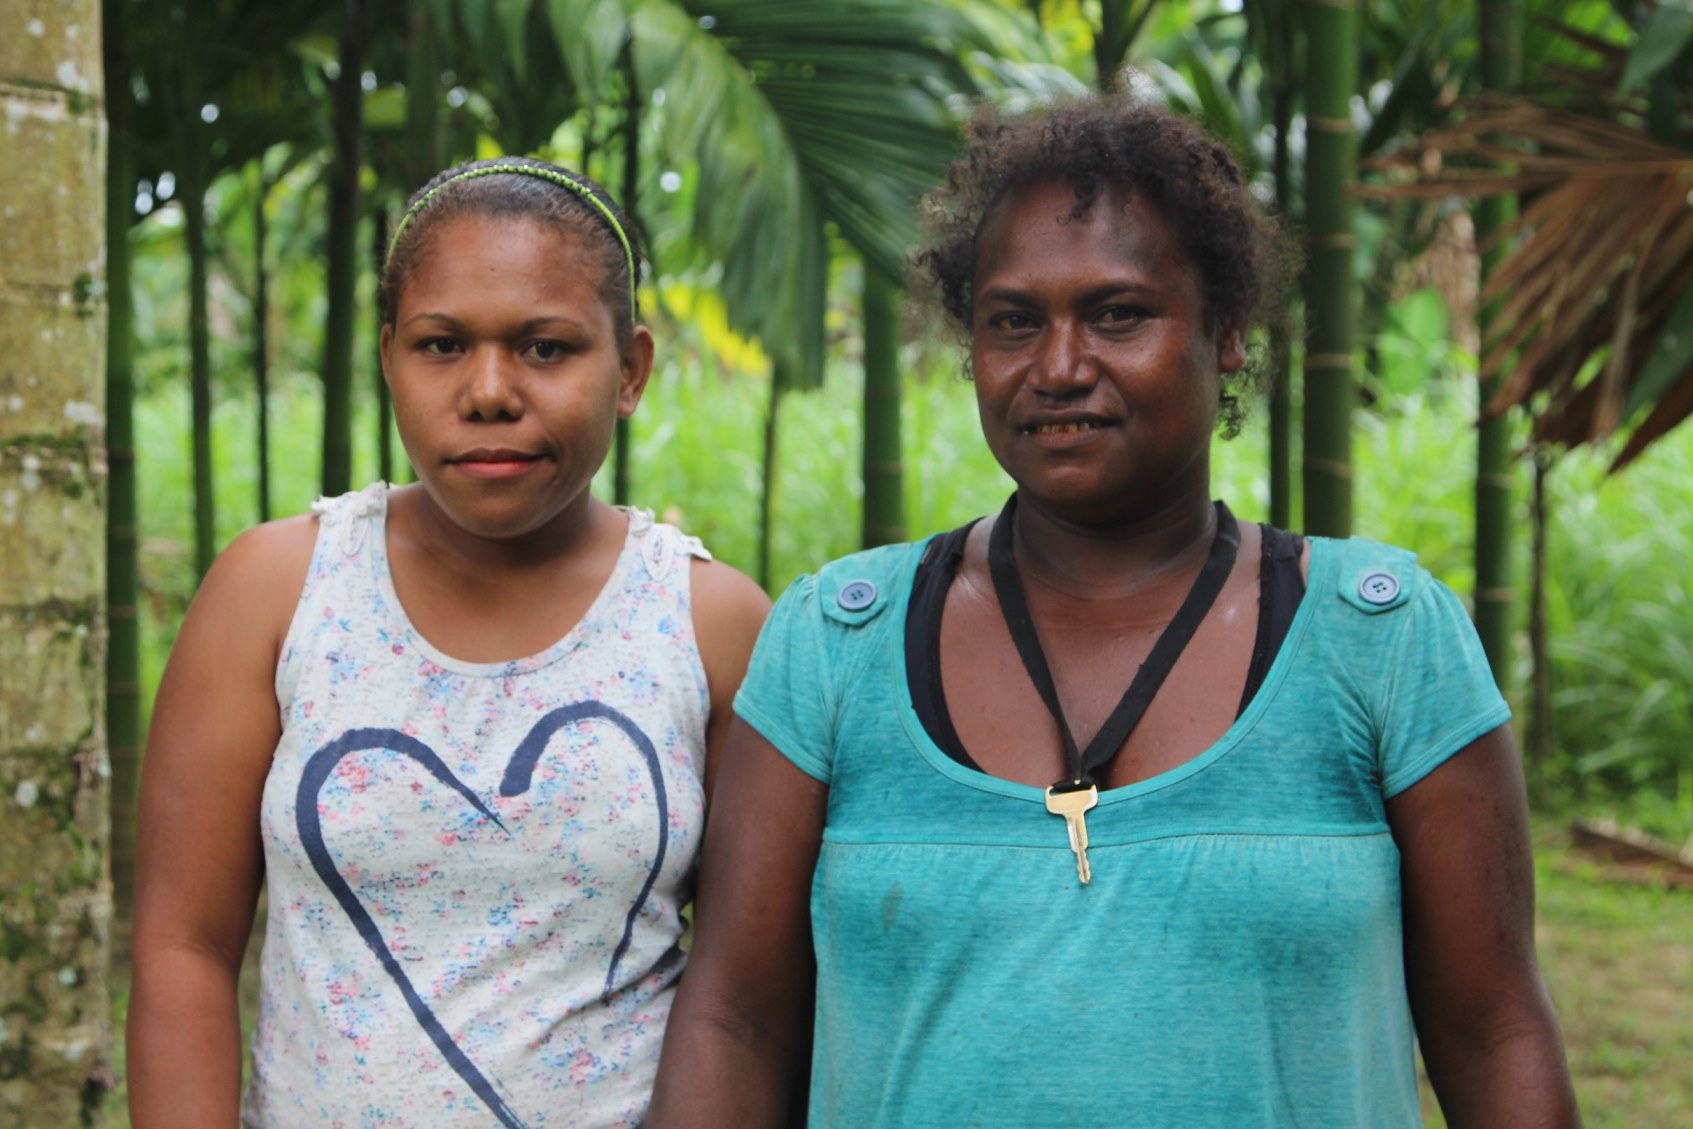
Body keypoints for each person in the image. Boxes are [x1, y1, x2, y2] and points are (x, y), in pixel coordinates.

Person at [646, 95, 1581, 1128]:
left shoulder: (1383, 641)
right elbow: (737, 1021)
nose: (1058, 367)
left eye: (1118, 313)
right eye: (1013, 321)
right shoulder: (835, 645)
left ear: (1226, 333)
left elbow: (1494, 1033)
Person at [128, 157, 770, 1129]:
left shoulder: (707, 623)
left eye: (546, 348)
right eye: (441, 345)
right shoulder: (278, 592)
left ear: (629, 368)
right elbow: (184, 947)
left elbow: (746, 997)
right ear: (389, 357)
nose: (488, 391)